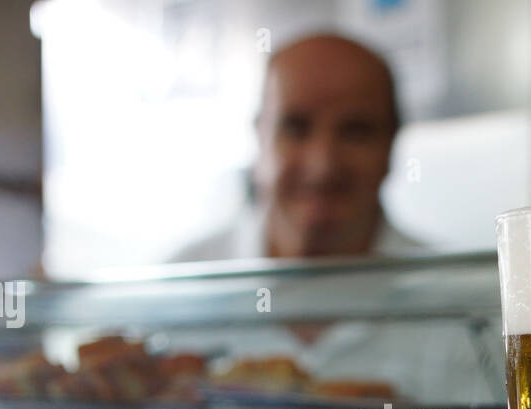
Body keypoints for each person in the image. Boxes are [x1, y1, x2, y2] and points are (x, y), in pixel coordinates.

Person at [172, 33, 424, 261]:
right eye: (295, 129)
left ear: (391, 142)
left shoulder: (450, 297)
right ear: (260, 136)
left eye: (355, 133)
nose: (322, 166)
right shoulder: (177, 285)